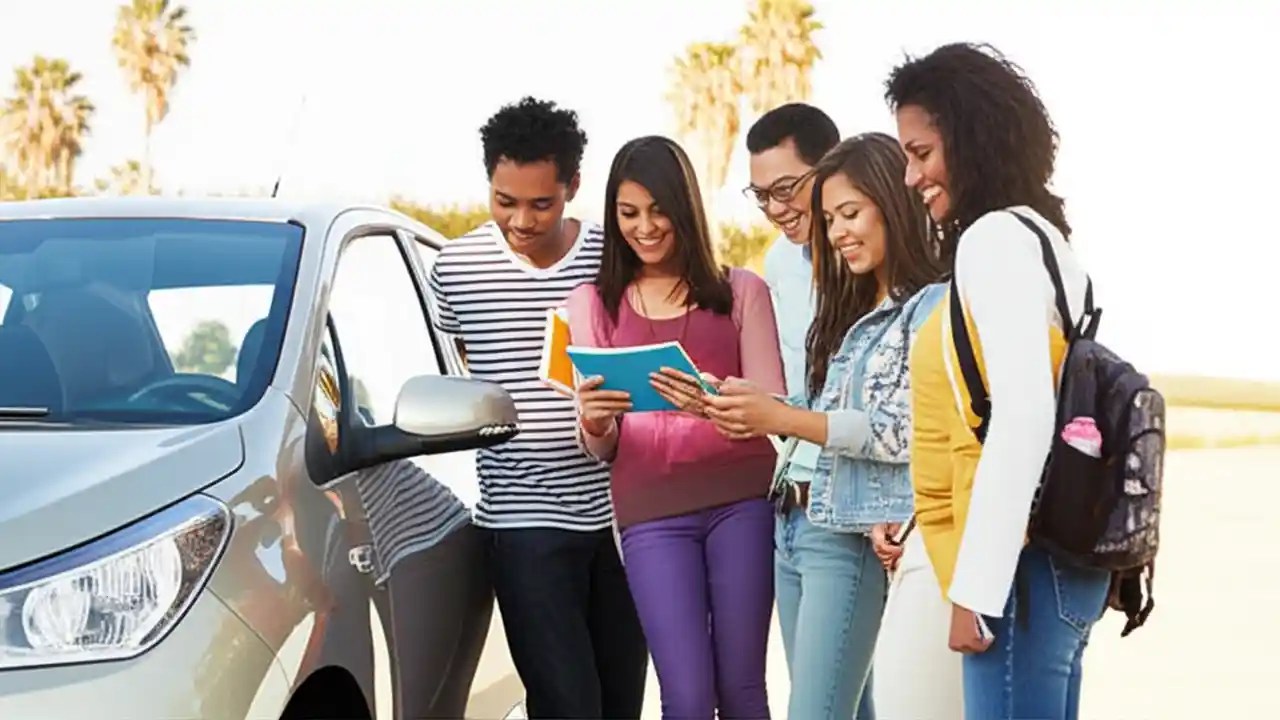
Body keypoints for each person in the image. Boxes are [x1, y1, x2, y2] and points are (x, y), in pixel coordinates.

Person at [886, 43, 1110, 719]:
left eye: (920, 152)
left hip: (1019, 569)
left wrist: (978, 590)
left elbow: (1021, 417)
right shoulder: (1047, 239)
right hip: (1063, 559)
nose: (908, 176)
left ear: (971, 136)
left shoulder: (993, 240)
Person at [702, 132, 951, 720]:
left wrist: (781, 416)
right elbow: (831, 409)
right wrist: (740, 404)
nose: (837, 232)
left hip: (846, 535)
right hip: (791, 516)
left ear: (893, 203)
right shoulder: (855, 306)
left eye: (850, 213)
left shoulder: (931, 305)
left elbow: (898, 429)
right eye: (831, 218)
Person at [426, 96, 648, 720]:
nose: (520, 219)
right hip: (523, 520)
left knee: (619, 704)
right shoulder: (456, 269)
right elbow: (466, 367)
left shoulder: (617, 256)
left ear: (573, 186)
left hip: (624, 519)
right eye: (504, 200)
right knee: (566, 705)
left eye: (540, 203)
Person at [566, 135, 785, 719]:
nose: (645, 228)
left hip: (742, 501)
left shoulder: (742, 291)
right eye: (629, 213)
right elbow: (600, 448)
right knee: (685, 697)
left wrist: (709, 400)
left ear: (685, 206)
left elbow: (775, 411)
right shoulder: (590, 304)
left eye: (659, 210)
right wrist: (594, 419)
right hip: (651, 516)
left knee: (741, 688)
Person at [744, 102, 840, 399]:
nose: (773, 208)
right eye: (761, 195)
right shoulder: (780, 261)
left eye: (784, 189)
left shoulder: (879, 254)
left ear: (831, 169)